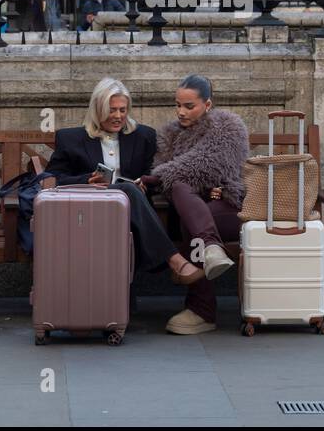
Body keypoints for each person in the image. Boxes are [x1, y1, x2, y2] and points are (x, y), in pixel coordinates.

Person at [46, 77, 202, 285]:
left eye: (122, 110)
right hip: (88, 213)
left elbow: (156, 172)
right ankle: (174, 262)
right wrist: (86, 180)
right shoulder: (71, 139)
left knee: (128, 189)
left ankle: (171, 264)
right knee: (126, 189)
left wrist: (145, 182)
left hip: (131, 214)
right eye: (112, 110)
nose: (118, 116)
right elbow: (52, 179)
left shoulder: (143, 136)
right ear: (97, 110)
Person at [138, 75, 249, 335]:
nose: (181, 112)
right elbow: (175, 174)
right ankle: (211, 248)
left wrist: (154, 178)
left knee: (192, 211)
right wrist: (164, 178)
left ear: (207, 105)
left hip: (230, 205)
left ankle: (202, 310)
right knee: (182, 192)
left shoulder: (228, 127)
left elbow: (206, 165)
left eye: (189, 106)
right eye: (177, 105)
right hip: (194, 210)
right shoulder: (170, 135)